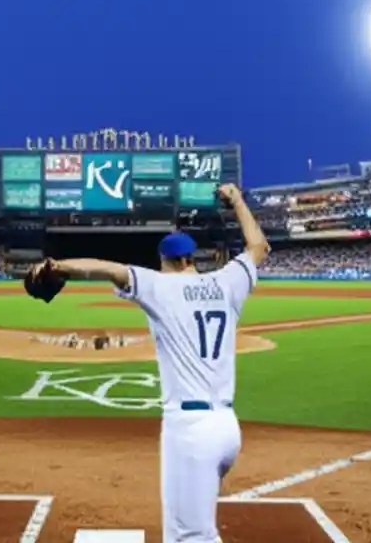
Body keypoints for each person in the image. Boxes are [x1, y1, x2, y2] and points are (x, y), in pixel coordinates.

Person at [29, 183, 269, 542]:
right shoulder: (226, 282)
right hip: (227, 428)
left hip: (190, 431)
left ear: (167, 261)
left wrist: (57, 265)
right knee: (198, 530)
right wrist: (236, 199)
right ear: (191, 259)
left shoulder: (160, 286)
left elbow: (105, 269)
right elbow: (258, 246)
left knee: (189, 537)